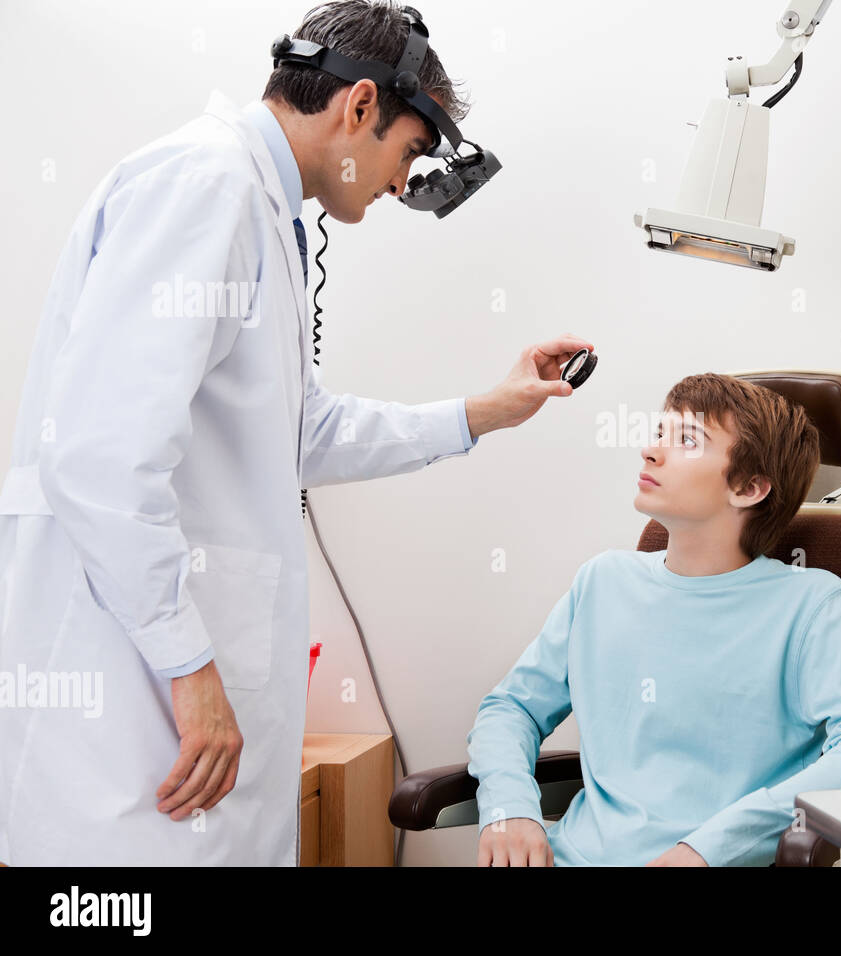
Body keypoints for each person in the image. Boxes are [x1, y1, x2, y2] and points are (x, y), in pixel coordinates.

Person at [0, 0, 591, 865]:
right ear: (359, 106)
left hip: (188, 717)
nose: (403, 184)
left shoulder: (261, 208)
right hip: (130, 721)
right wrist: (189, 667)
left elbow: (301, 429)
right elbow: (98, 458)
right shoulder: (206, 185)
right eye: (410, 152)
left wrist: (486, 411)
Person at [468, 373, 841, 866]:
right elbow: (511, 708)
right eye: (660, 434)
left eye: (687, 441)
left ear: (749, 487)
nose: (651, 452)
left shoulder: (812, 605)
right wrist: (509, 807)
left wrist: (707, 848)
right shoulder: (603, 581)